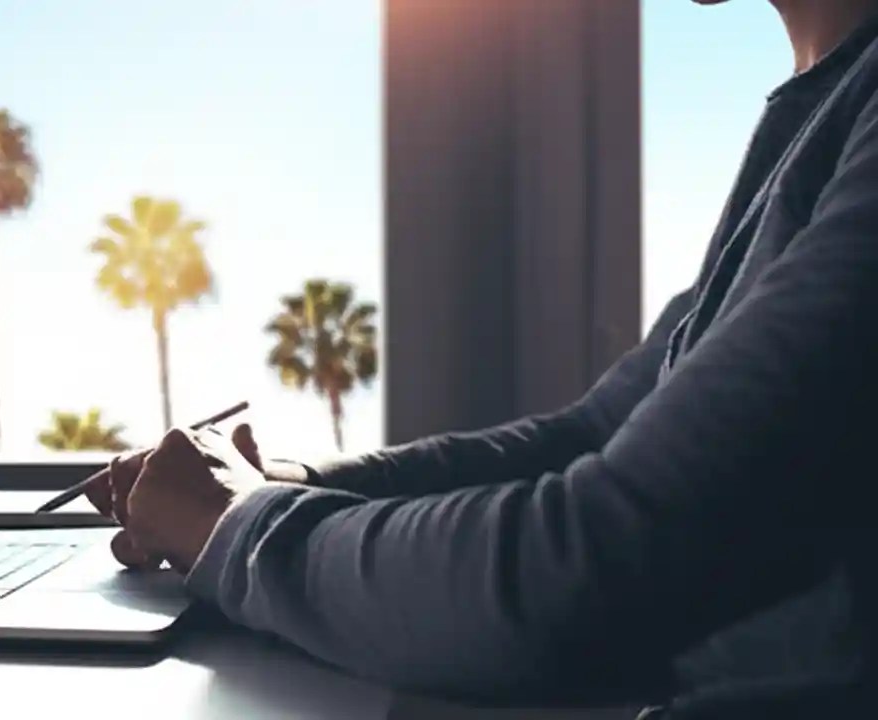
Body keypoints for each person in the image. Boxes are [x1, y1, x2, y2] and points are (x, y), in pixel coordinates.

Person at [87, 0, 878, 715]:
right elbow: (590, 432)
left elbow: (594, 569)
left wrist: (237, 529)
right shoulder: (826, 112)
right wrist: (284, 482)